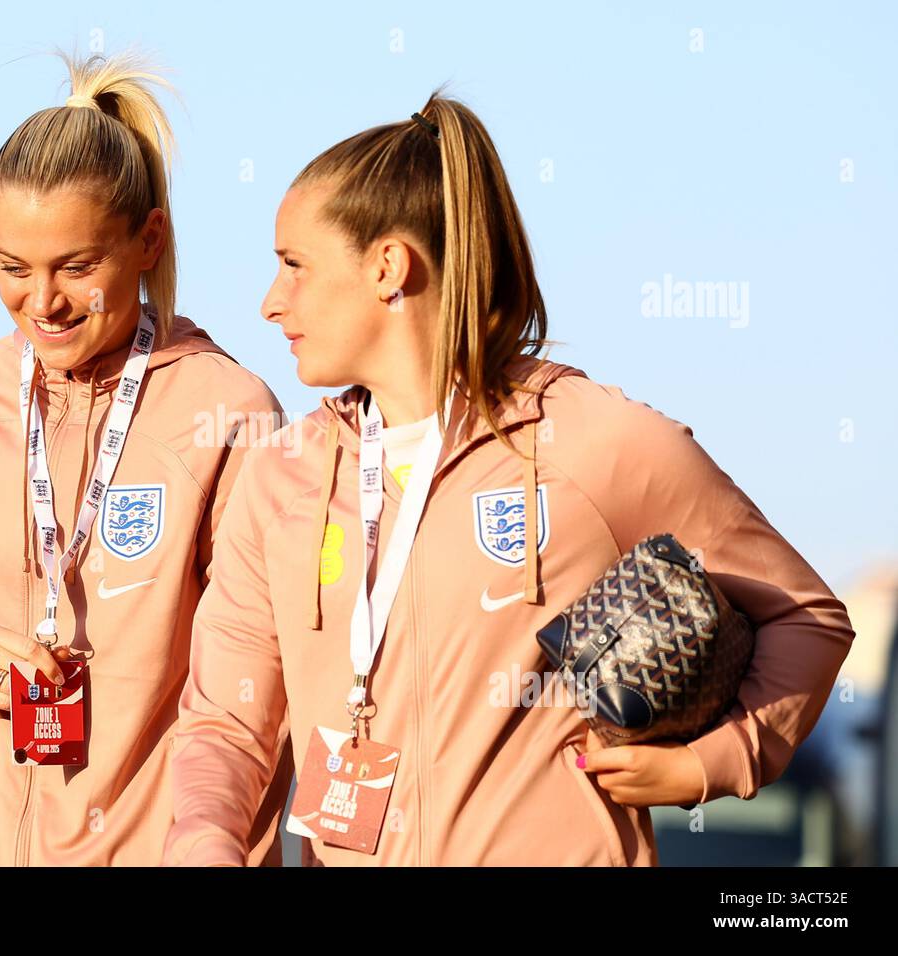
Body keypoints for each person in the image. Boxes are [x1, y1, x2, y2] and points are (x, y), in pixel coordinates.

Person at [162, 92, 855, 866]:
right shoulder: (281, 477)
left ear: (388, 267)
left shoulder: (593, 440)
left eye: (294, 265)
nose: (270, 301)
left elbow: (808, 617)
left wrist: (708, 764)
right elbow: (226, 725)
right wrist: (205, 844)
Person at [0, 51, 291, 865]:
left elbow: (256, 691)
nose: (41, 301)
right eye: (13, 267)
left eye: (77, 268)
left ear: (148, 240)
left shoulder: (229, 415)